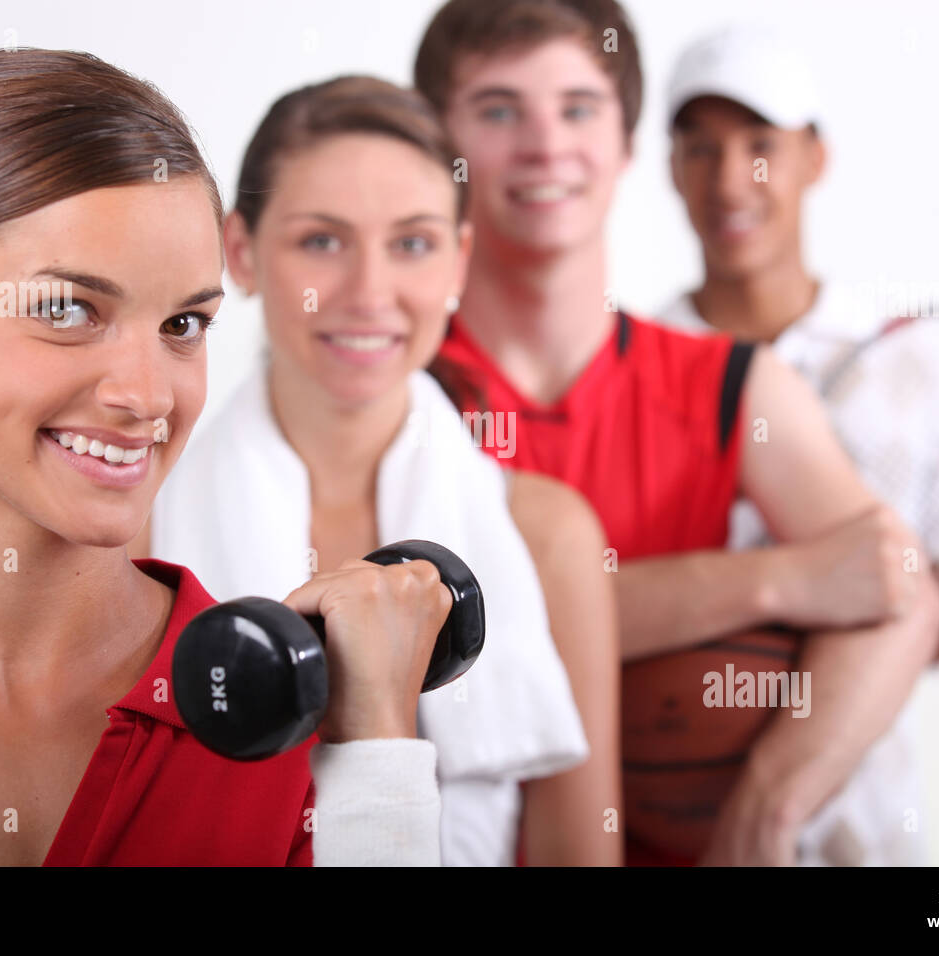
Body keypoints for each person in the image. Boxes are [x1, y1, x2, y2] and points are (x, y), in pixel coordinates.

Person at [0, 48, 451, 867]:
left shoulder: (287, 731)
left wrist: (376, 765)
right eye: (67, 309)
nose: (147, 396)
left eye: (182, 325)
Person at [414, 0, 939, 864]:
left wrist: (768, 809)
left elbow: (901, 590)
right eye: (501, 109)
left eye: (578, 108)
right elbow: (457, 632)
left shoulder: (733, 384)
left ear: (626, 145)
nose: (546, 144)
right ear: (441, 148)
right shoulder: (399, 395)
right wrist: (777, 580)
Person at [130, 75, 623, 865]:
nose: (368, 293)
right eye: (322, 241)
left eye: (413, 243)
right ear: (242, 253)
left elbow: (580, 855)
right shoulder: (134, 525)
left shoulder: (549, 534)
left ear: (460, 261)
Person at [655, 25, 939, 864]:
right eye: (702, 149)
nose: (731, 180)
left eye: (761, 146)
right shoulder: (633, 368)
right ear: (670, 168)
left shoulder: (921, 362)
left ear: (816, 159)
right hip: (669, 807)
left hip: (864, 821)